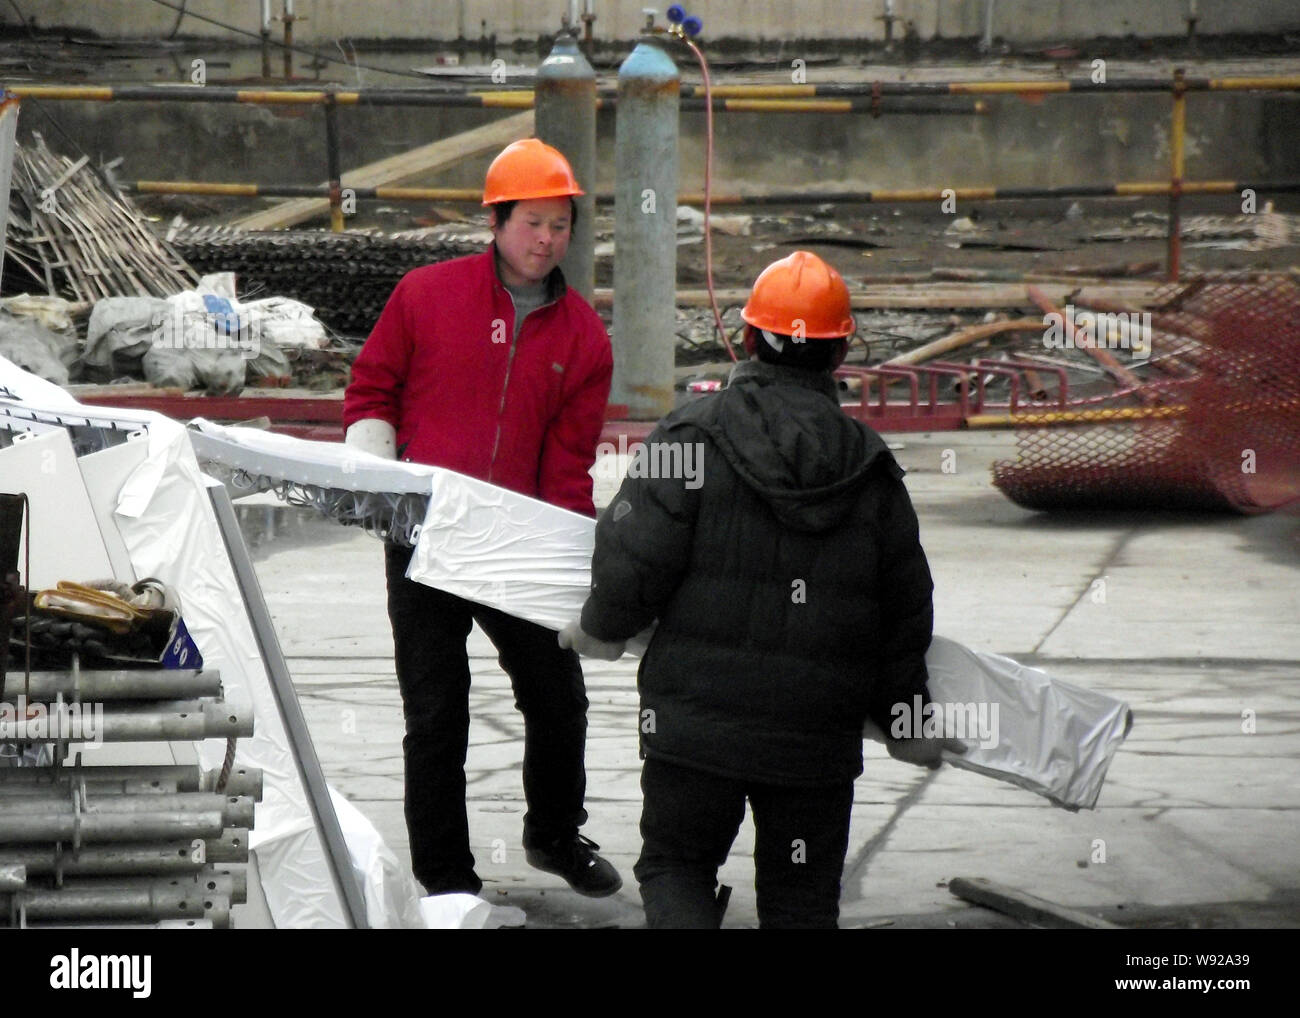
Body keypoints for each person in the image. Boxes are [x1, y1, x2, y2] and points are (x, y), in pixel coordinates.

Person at [560, 251, 962, 928]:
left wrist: (599, 627)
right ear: (837, 355)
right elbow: (902, 613)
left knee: (678, 868)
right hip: (813, 745)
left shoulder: (689, 435)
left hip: (694, 729)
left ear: (747, 339)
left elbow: (633, 560)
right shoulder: (870, 468)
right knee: (800, 899)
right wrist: (907, 721)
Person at [343, 138, 621, 899]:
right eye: (532, 222)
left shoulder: (584, 339)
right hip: (424, 539)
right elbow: (372, 390)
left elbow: (569, 466)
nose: (546, 240)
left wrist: (571, 568)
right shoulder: (426, 295)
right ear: (496, 221)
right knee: (437, 715)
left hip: (517, 545)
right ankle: (446, 878)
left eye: (559, 226)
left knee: (558, 698)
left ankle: (555, 836)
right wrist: (374, 473)